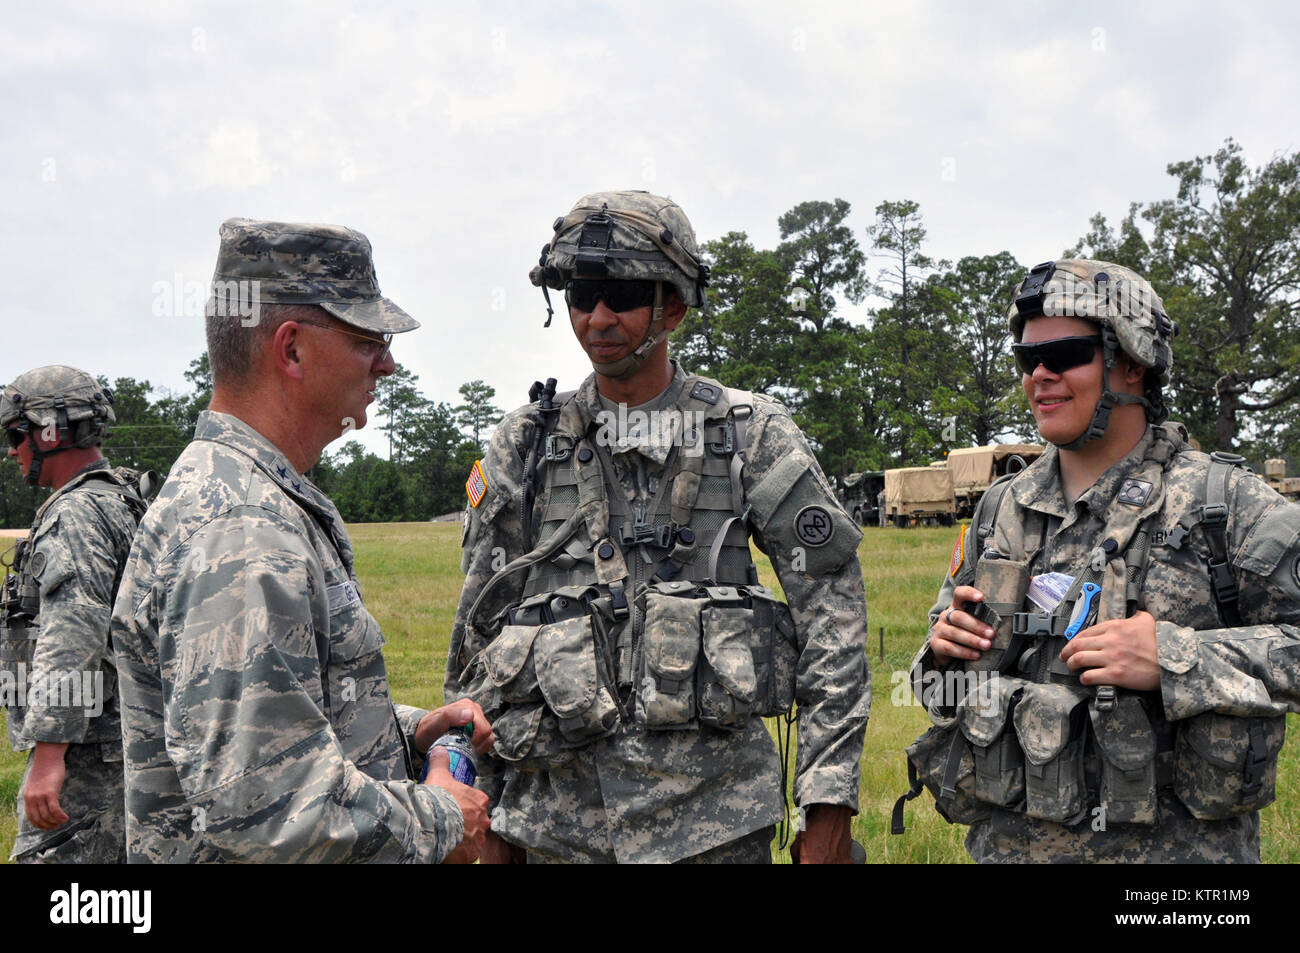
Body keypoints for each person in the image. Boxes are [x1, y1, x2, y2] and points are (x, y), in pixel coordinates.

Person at [445, 190, 871, 863]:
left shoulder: (749, 435)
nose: (598, 315)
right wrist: (485, 814)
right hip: (553, 829)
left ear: (672, 304)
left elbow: (834, 624)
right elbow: (477, 638)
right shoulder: (524, 446)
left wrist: (827, 806)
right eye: (582, 293)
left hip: (714, 828)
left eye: (622, 292)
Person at [110, 218, 490, 863]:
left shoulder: (251, 498)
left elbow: (273, 716)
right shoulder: (241, 530)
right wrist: (444, 819)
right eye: (368, 338)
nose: (387, 362)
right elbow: (266, 807)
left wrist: (408, 731)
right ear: (291, 349)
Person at [898, 258, 1300, 862]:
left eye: (1064, 355)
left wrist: (1173, 657)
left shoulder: (1226, 505)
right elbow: (935, 686)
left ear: (1132, 362)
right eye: (1027, 359)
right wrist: (942, 651)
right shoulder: (1001, 508)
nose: (1040, 375)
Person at [0, 366, 150, 863]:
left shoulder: (77, 514)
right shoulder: (121, 498)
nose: (12, 450)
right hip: (126, 741)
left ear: (51, 431)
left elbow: (75, 632)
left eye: (17, 435)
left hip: (90, 753)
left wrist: (48, 757)